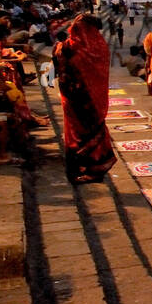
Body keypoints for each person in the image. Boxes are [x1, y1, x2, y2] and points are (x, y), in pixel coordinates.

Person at [52, 14, 116, 184]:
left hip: (75, 99)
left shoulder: (68, 48)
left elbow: (57, 66)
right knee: (92, 131)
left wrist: (60, 49)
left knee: (76, 134)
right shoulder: (100, 46)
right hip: (94, 100)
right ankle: (94, 169)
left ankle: (82, 169)